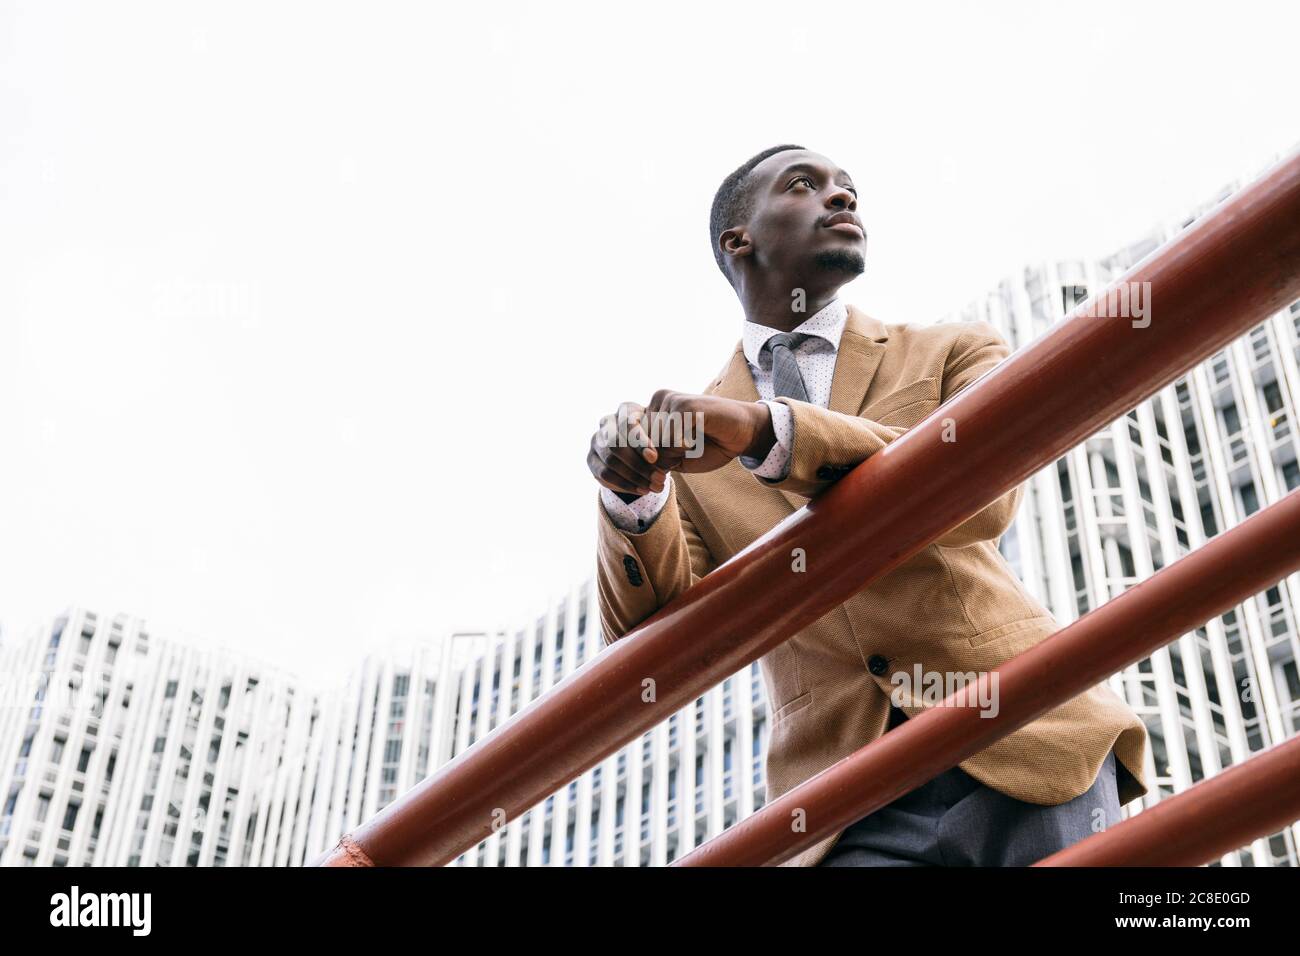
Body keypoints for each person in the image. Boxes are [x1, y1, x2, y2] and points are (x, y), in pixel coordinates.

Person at [587, 144, 1150, 867]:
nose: (842, 198)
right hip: (843, 804)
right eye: (805, 185)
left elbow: (984, 491)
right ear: (739, 241)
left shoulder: (954, 349)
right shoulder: (691, 451)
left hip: (1026, 738)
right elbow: (650, 639)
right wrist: (631, 494)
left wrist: (768, 431)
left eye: (848, 188)